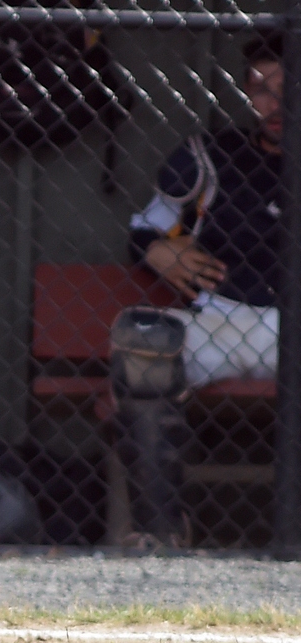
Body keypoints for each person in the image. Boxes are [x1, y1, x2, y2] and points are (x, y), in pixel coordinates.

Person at [116, 33, 283, 545]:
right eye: (261, 88)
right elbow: (147, 224)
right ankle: (164, 531)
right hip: (222, 318)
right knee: (143, 343)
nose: (274, 103)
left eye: (287, 87)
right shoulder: (215, 156)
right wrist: (157, 250)